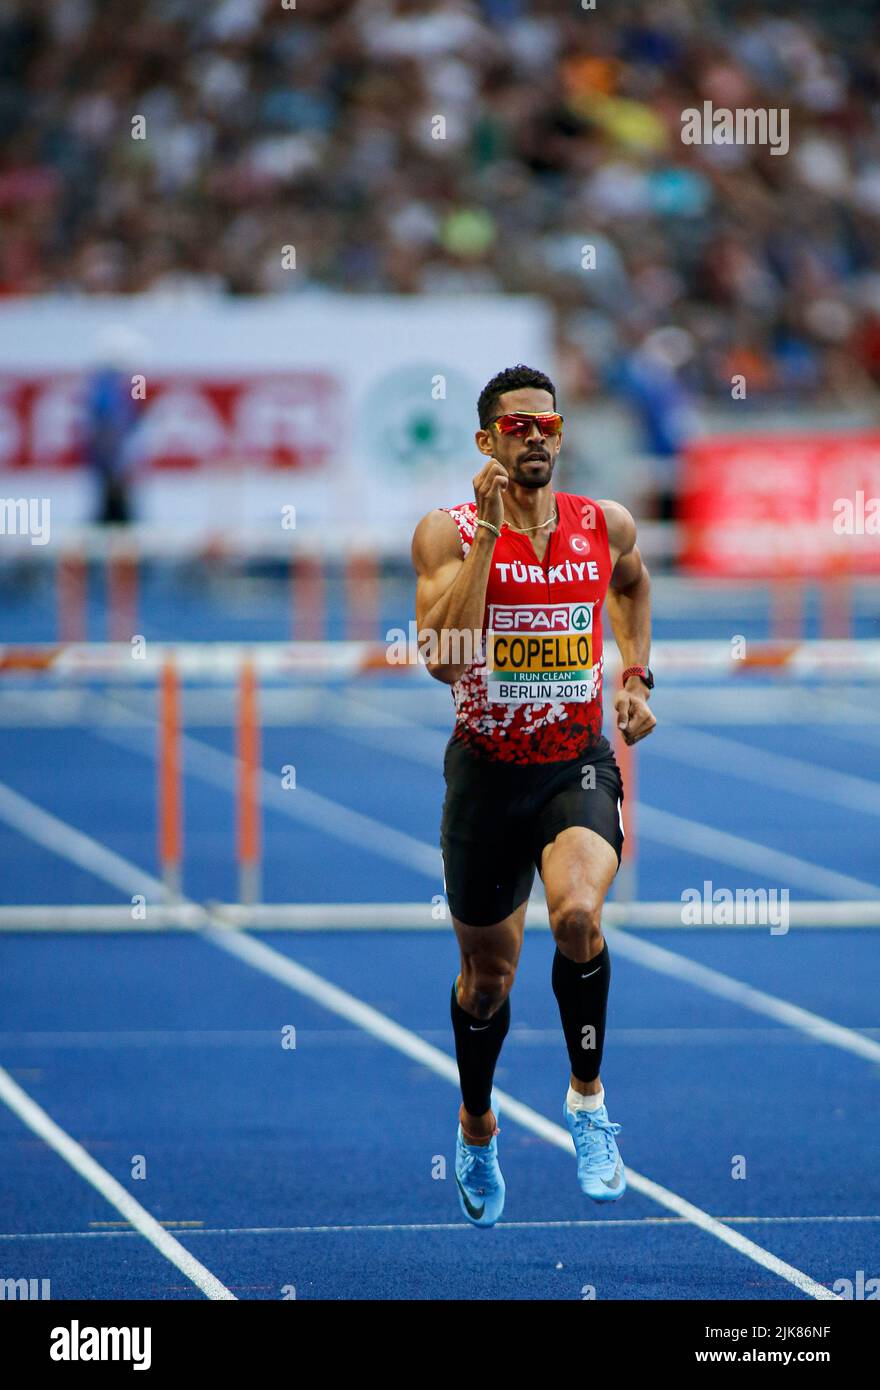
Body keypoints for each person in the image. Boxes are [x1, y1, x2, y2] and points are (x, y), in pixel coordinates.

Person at [411, 363, 656, 1227]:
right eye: (518, 428)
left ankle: (587, 1104)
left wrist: (637, 675)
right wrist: (485, 539)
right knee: (487, 980)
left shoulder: (602, 522)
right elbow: (443, 656)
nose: (536, 439)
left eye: (547, 426)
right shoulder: (445, 532)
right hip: (485, 771)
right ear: (487, 442)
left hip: (573, 764)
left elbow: (630, 580)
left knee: (579, 918)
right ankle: (478, 1126)